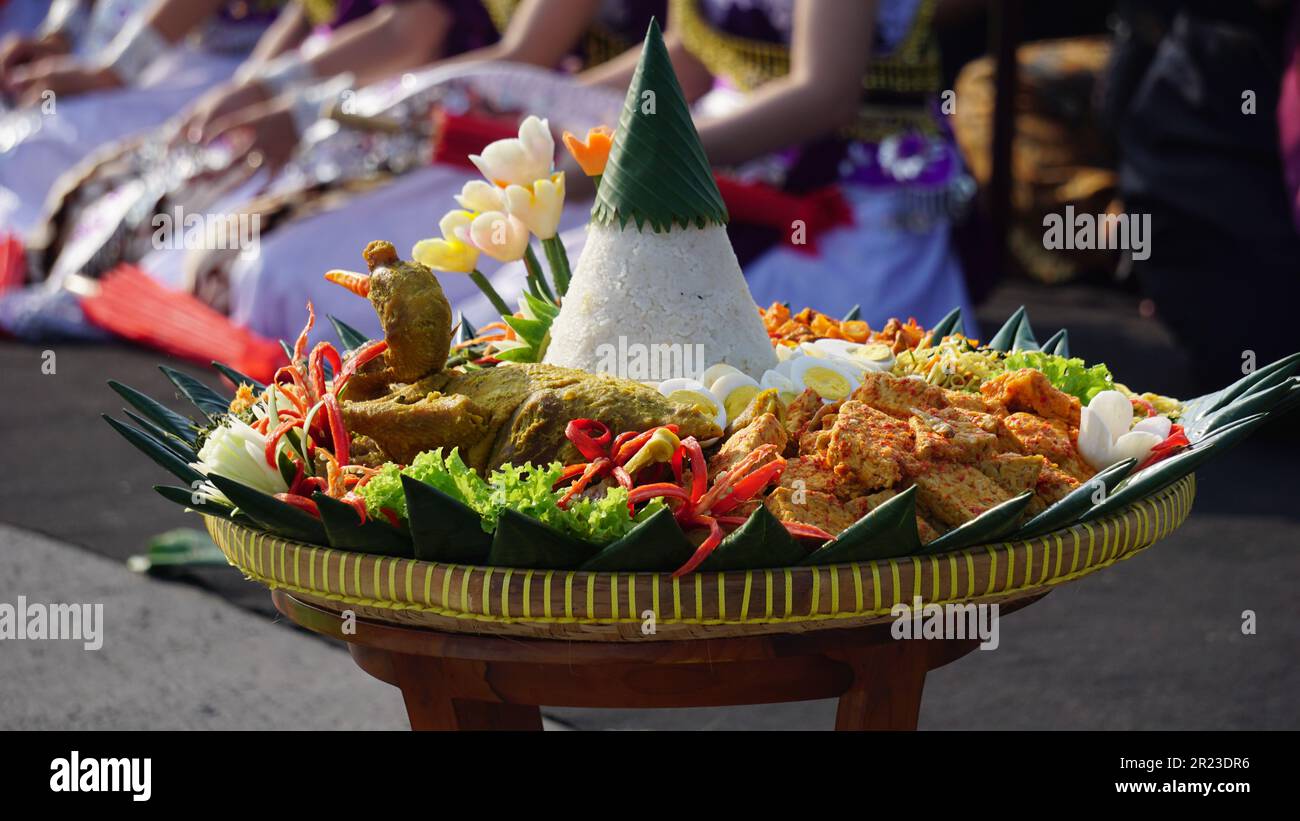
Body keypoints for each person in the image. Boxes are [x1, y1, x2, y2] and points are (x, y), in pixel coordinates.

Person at [474, 0, 975, 330]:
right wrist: (547, 111)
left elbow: (825, 96)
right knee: (551, 296)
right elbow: (690, 55)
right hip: (714, 147)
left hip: (835, 207)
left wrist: (641, 153)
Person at [0, 0, 286, 233]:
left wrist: (110, 73)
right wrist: (60, 35)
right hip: (109, 38)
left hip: (208, 64)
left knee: (24, 151)